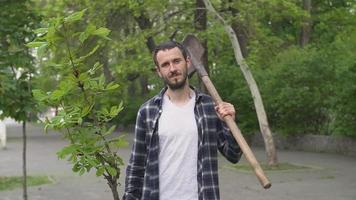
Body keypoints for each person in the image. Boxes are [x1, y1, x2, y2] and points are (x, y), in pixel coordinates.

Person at [123, 40, 242, 200]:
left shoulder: (209, 106)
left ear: (188, 62)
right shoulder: (147, 111)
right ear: (159, 71)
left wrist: (230, 123)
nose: (172, 69)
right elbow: (136, 165)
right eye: (165, 65)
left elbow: (233, 155)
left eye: (176, 61)